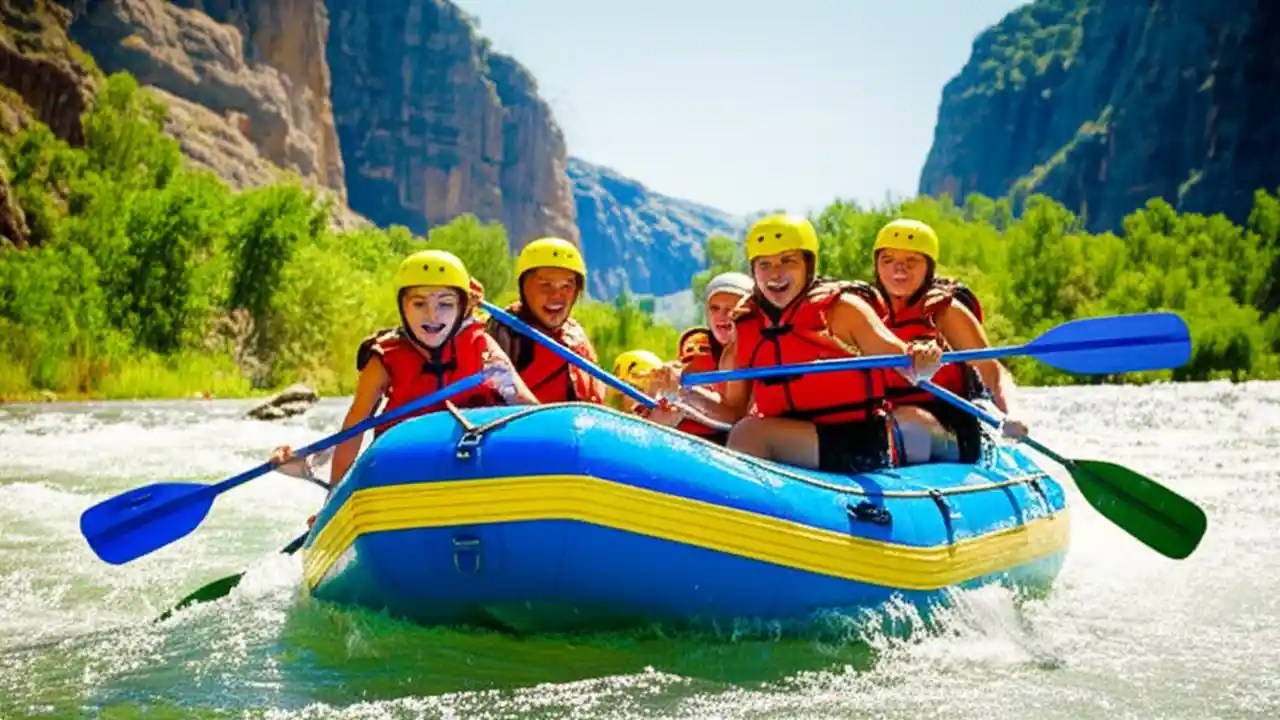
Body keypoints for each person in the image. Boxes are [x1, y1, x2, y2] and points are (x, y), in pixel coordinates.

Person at [657, 213, 942, 474]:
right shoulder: (745, 327)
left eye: (787, 261)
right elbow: (732, 411)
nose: (775, 274)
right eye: (764, 265)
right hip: (792, 440)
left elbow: (904, 364)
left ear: (808, 265)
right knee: (746, 429)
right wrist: (683, 391)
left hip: (857, 443)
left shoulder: (841, 309)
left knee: (749, 434)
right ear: (754, 272)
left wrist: (921, 359)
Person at [270, 249, 538, 489]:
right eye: (419, 304)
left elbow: (532, 411)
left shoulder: (481, 345)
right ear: (403, 307)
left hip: (477, 466)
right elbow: (353, 431)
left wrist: (508, 387)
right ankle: (309, 468)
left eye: (445, 304)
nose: (432, 316)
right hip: (408, 471)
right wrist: (333, 499)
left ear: (462, 309)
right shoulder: (385, 358)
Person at [854, 218, 1027, 464]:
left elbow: (993, 372)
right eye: (888, 260)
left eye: (911, 261)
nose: (898, 269)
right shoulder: (863, 311)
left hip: (948, 426)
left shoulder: (946, 312)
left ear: (929, 267)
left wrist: (1014, 413)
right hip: (883, 419)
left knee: (909, 422)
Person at [485, 237, 606, 404]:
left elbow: (596, 402)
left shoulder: (576, 335)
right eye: (545, 285)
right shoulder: (504, 330)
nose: (556, 295)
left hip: (574, 427)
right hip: (520, 427)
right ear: (524, 288)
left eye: (566, 286)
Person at [646, 271, 754, 444]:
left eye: (732, 309)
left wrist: (685, 393)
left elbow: (737, 415)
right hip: (686, 438)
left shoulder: (761, 353)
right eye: (715, 308)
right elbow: (667, 391)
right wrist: (660, 386)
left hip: (725, 442)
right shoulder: (698, 354)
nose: (722, 315)